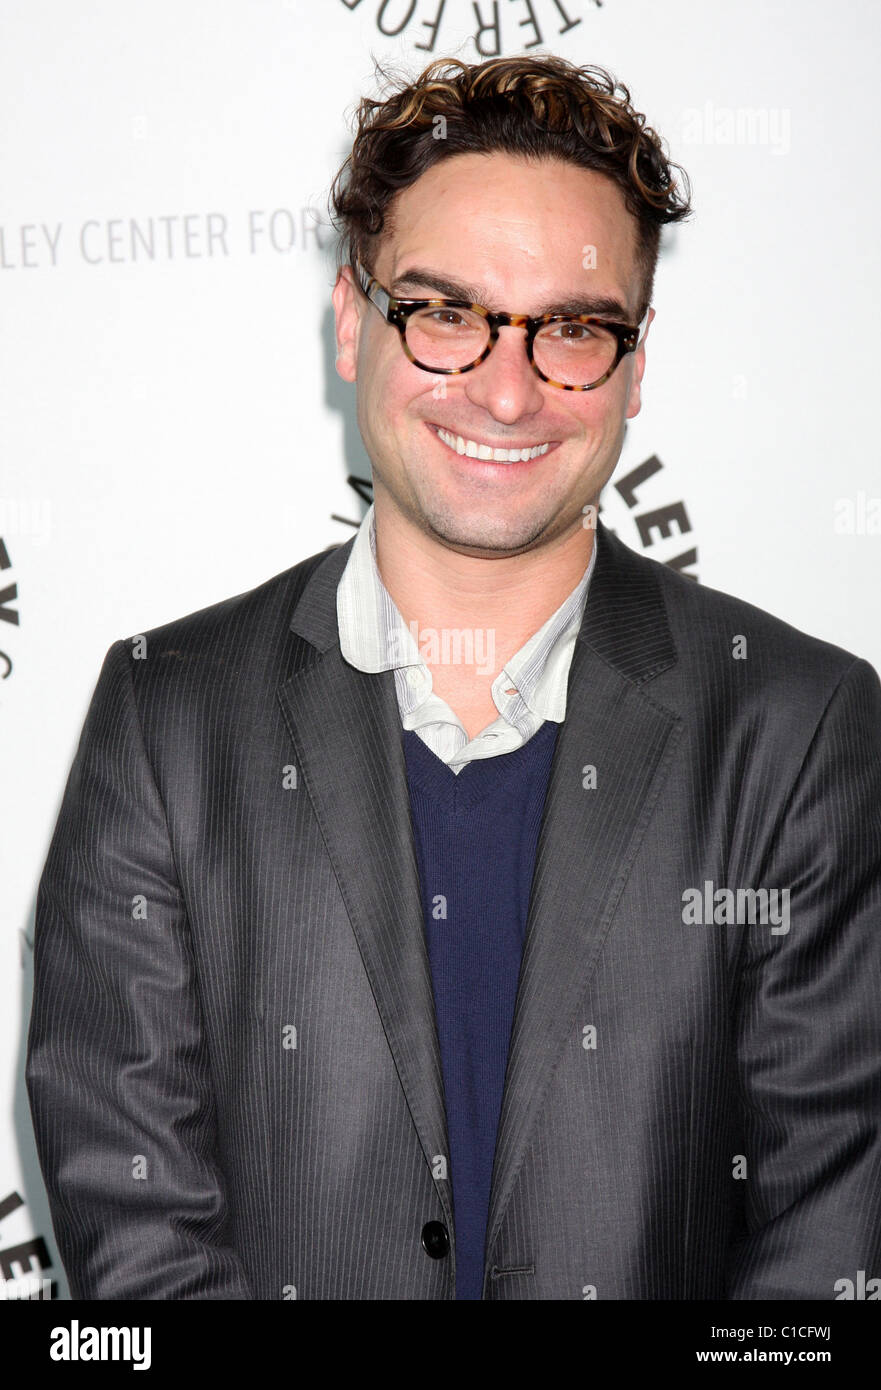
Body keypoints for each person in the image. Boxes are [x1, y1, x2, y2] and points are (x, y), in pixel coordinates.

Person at [26, 54, 881, 1301]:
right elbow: (133, 1222)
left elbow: (827, 1233)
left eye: (572, 329)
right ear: (347, 320)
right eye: (443, 311)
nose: (504, 383)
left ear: (636, 367)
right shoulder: (169, 715)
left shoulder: (800, 728)